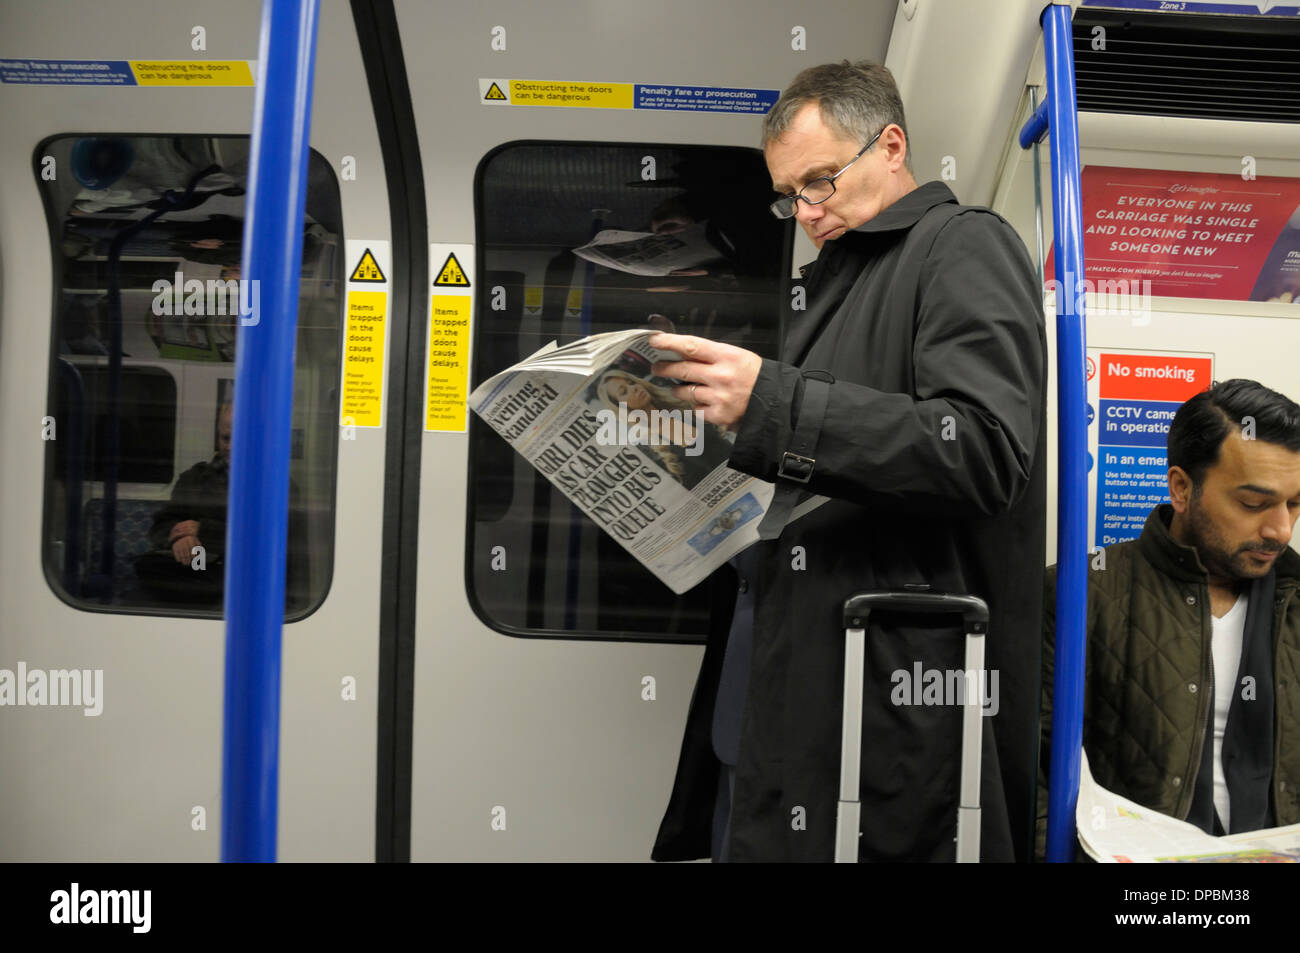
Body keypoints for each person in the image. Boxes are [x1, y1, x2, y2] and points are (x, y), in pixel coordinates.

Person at [649, 61, 1046, 862]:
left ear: (891, 145)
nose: (805, 212)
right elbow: (834, 458)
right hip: (784, 685)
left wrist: (769, 403)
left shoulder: (962, 246)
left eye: (821, 182)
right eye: (789, 195)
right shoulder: (835, 287)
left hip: (886, 701)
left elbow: (982, 449)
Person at [1038, 380, 1300, 855]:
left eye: (1295, 503)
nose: (1280, 529)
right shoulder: (1080, 594)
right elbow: (1031, 774)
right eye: (1253, 504)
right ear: (1182, 488)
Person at [593, 369, 733, 489]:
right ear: (621, 407)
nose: (634, 388)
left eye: (631, 383)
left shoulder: (681, 405)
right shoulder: (650, 448)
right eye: (624, 392)